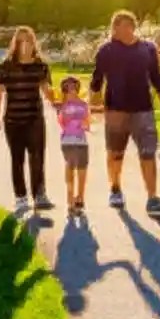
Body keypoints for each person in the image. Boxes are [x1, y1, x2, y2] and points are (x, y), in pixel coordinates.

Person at [89, 10, 160, 215]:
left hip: (143, 109)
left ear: (131, 27)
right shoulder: (106, 51)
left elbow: (157, 77)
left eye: (124, 27)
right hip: (116, 110)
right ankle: (115, 188)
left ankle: (152, 199)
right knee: (116, 153)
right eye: (117, 27)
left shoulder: (147, 49)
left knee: (148, 153)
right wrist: (93, 106)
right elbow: (96, 81)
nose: (119, 31)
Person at [0, 26, 57, 213]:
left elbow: (47, 91)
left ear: (33, 42)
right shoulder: (6, 66)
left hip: (34, 119)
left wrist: (61, 103)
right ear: (16, 44)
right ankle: (21, 196)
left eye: (28, 41)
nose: (25, 45)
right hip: (13, 120)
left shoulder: (41, 66)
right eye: (21, 41)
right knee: (17, 159)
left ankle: (39, 194)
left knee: (37, 157)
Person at [57, 76, 92, 215]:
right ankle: (70, 199)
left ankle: (80, 198)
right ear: (64, 91)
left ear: (77, 89)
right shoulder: (62, 106)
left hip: (81, 141)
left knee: (82, 170)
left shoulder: (83, 105)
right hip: (68, 141)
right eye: (68, 88)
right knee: (70, 169)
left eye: (74, 88)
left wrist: (84, 123)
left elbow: (87, 122)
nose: (71, 90)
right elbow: (62, 123)